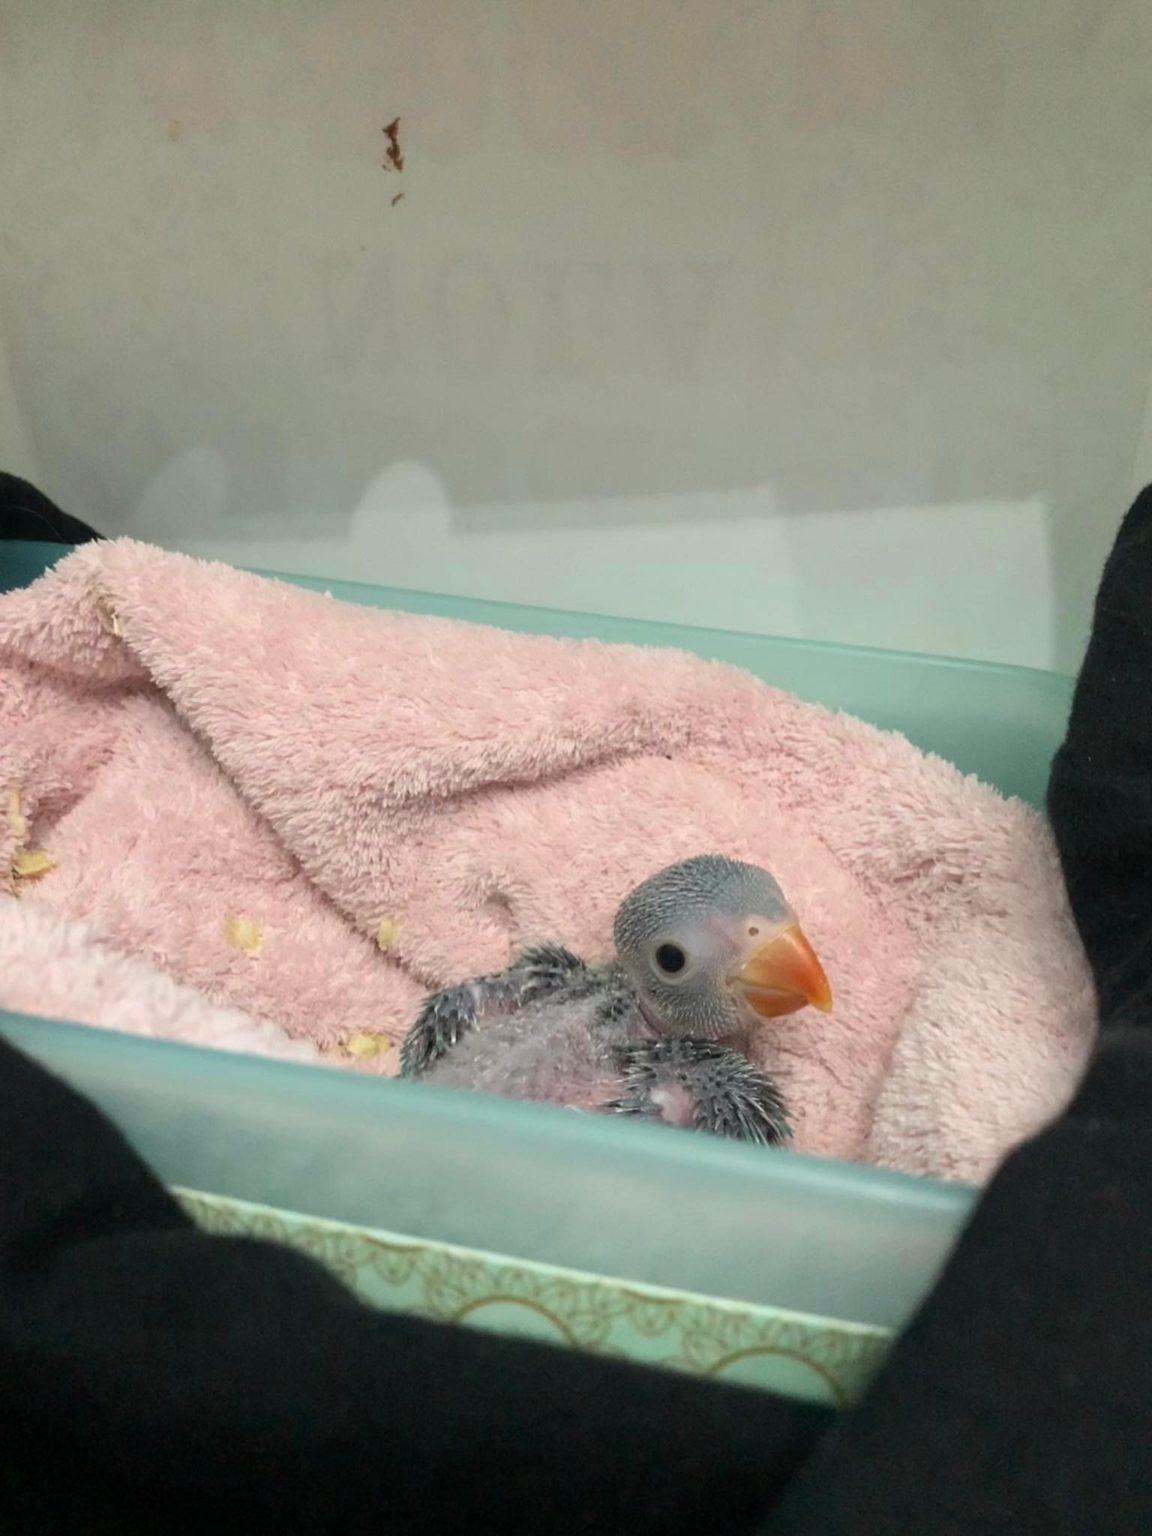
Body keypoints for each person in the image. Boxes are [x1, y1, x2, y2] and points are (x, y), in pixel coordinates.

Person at [3, 482, 1152, 1533]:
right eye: (681, 954)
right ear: (634, 958)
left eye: (771, 927)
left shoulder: (697, 1075)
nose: (776, 963)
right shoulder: (574, 1006)